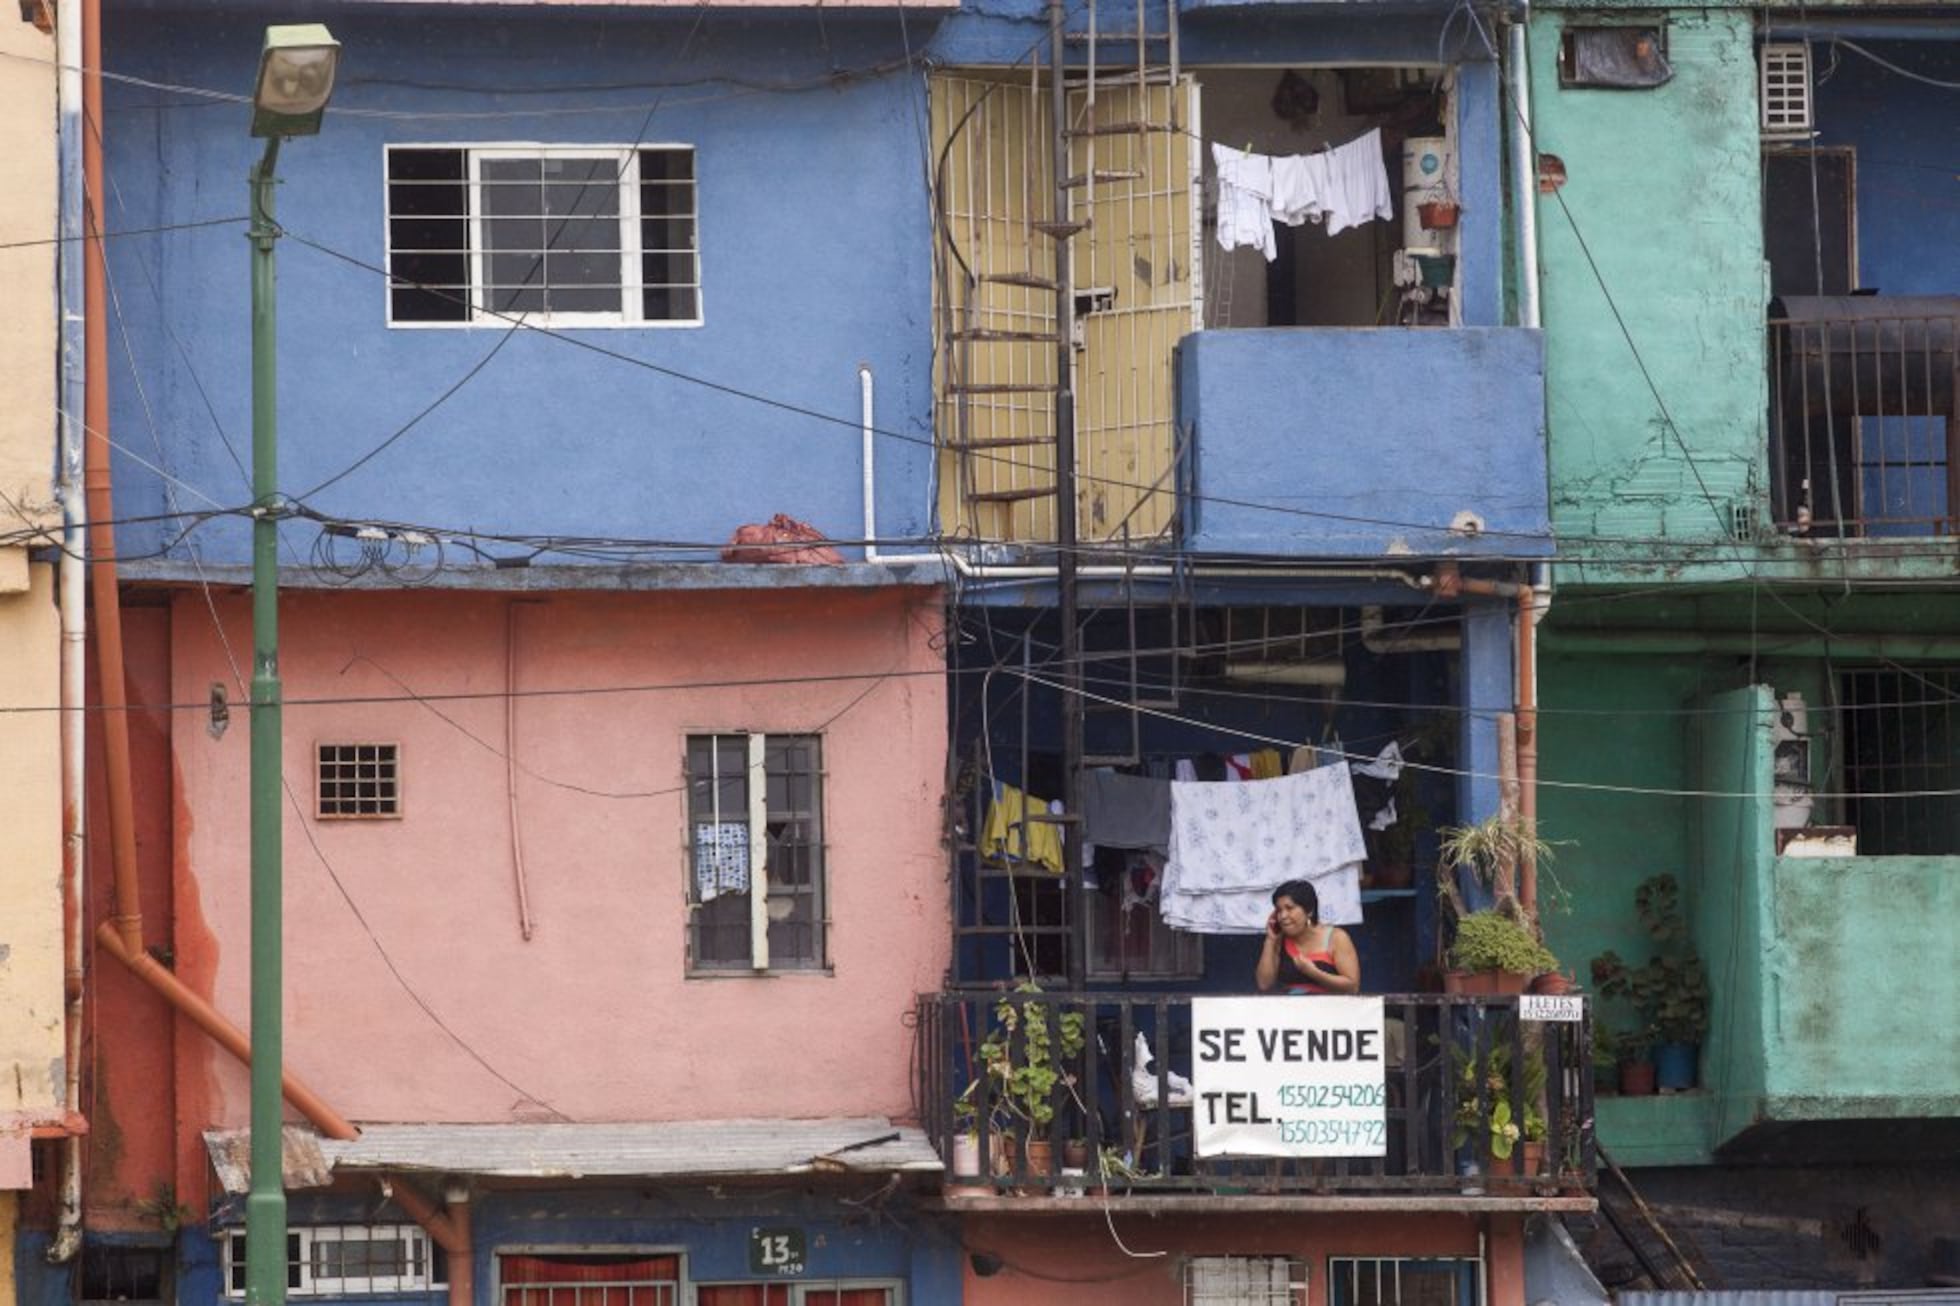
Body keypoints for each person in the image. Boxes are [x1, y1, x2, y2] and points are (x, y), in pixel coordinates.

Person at [1255, 879, 1361, 995]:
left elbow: (1352, 988)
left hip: (1329, 1009)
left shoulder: (1337, 938)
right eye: (1279, 910)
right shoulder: (1278, 939)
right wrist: (1270, 940)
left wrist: (1314, 973)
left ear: (1309, 911)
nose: (1283, 916)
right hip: (1289, 1009)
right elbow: (1264, 984)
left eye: (1289, 908)